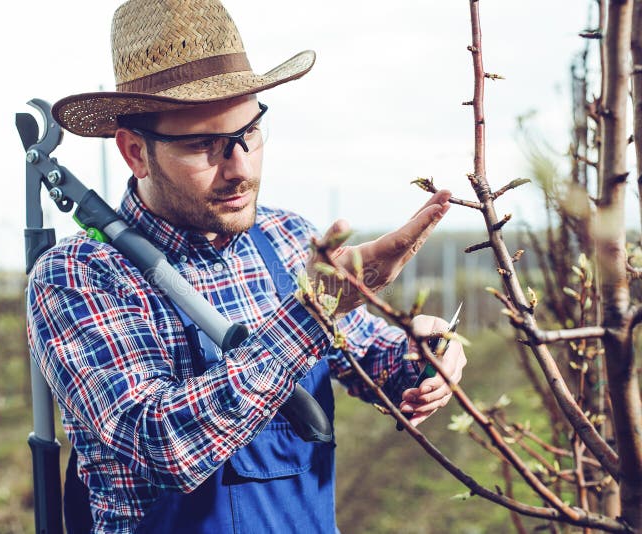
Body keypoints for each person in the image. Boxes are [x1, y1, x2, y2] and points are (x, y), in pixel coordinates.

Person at [27, 0, 467, 532]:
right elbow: (164, 442)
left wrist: (426, 354)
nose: (239, 169)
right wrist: (314, 312)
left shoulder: (285, 239)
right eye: (204, 146)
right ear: (135, 153)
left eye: (248, 134)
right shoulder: (80, 276)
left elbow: (372, 359)